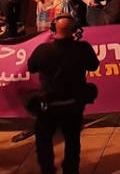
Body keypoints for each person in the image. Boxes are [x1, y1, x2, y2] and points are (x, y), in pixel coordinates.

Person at [27, 14, 100, 174]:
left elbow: (31, 67)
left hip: (48, 106)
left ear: (53, 30)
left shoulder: (43, 50)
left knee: (44, 141)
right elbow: (94, 66)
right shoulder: (83, 49)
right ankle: (70, 170)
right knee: (73, 141)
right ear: (75, 31)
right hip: (73, 105)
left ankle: (47, 169)